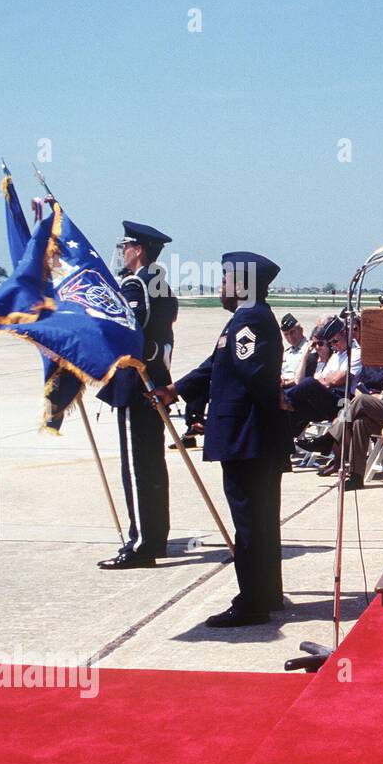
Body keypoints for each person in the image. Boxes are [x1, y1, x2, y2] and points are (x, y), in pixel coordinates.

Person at [149, 252, 291, 627]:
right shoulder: (244, 320)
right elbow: (215, 366)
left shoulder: (250, 320)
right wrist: (174, 389)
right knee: (259, 520)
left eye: (227, 279)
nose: (222, 286)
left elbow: (256, 376)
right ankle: (267, 594)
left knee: (249, 523)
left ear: (243, 284)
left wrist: (276, 413)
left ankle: (252, 603)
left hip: (248, 438)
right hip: (251, 437)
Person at [97, 221, 177, 570]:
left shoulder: (136, 283)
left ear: (139, 249)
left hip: (136, 383)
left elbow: (128, 330)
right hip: (155, 378)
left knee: (138, 467)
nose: (123, 251)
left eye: (126, 245)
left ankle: (143, 543)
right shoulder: (161, 284)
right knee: (151, 463)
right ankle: (154, 535)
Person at [296, 367, 383, 490]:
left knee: (361, 400)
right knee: (359, 422)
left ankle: (328, 439)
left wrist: (382, 397)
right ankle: (356, 477)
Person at [285, 315, 361, 435]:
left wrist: (328, 379)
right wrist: (328, 379)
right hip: (326, 399)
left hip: (342, 402)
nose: (334, 345)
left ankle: (281, 398)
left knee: (309, 382)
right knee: (293, 409)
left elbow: (337, 380)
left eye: (335, 341)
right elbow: (324, 380)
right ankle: (285, 444)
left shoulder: (356, 353)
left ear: (345, 334)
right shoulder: (336, 355)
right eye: (331, 343)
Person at [279, 313, 307, 384]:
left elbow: (310, 374)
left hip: (298, 387)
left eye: (292, 332)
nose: (290, 337)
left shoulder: (309, 349)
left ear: (301, 330)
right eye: (286, 334)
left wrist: (289, 382)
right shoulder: (286, 353)